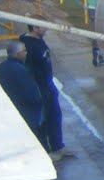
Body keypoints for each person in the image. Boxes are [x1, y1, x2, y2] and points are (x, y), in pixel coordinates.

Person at [20, 23, 72, 160]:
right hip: (39, 87)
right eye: (43, 27)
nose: (46, 29)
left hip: (48, 85)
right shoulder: (27, 45)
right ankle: (47, 150)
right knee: (44, 118)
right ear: (35, 28)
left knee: (55, 115)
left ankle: (57, 146)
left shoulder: (38, 40)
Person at [0, 41, 46, 150]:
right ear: (18, 54)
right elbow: (31, 91)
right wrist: (40, 103)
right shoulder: (21, 70)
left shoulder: (2, 67)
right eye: (24, 51)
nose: (26, 53)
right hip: (28, 111)